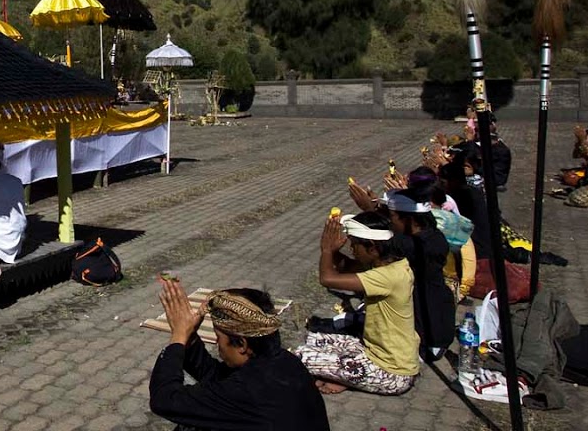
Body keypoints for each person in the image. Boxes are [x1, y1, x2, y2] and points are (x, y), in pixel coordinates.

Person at [149, 280, 330, 430]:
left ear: (242, 344)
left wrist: (178, 337)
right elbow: (217, 379)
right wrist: (190, 337)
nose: (217, 344)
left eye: (218, 337)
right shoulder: (283, 362)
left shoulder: (248, 391)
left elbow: (165, 399)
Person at [300, 212, 419, 395]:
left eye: (355, 246)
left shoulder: (388, 276)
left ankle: (344, 376)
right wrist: (334, 252)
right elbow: (347, 267)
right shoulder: (393, 264)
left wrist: (326, 250)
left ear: (372, 248)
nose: (353, 250)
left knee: (301, 357)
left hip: (392, 373)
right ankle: (344, 375)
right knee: (314, 339)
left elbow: (327, 278)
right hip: (375, 350)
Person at [349, 180, 456, 360]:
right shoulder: (432, 235)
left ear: (409, 219)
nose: (389, 221)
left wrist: (370, 211)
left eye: (392, 216)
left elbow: (384, 242)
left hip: (426, 335)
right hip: (439, 324)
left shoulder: (415, 246)